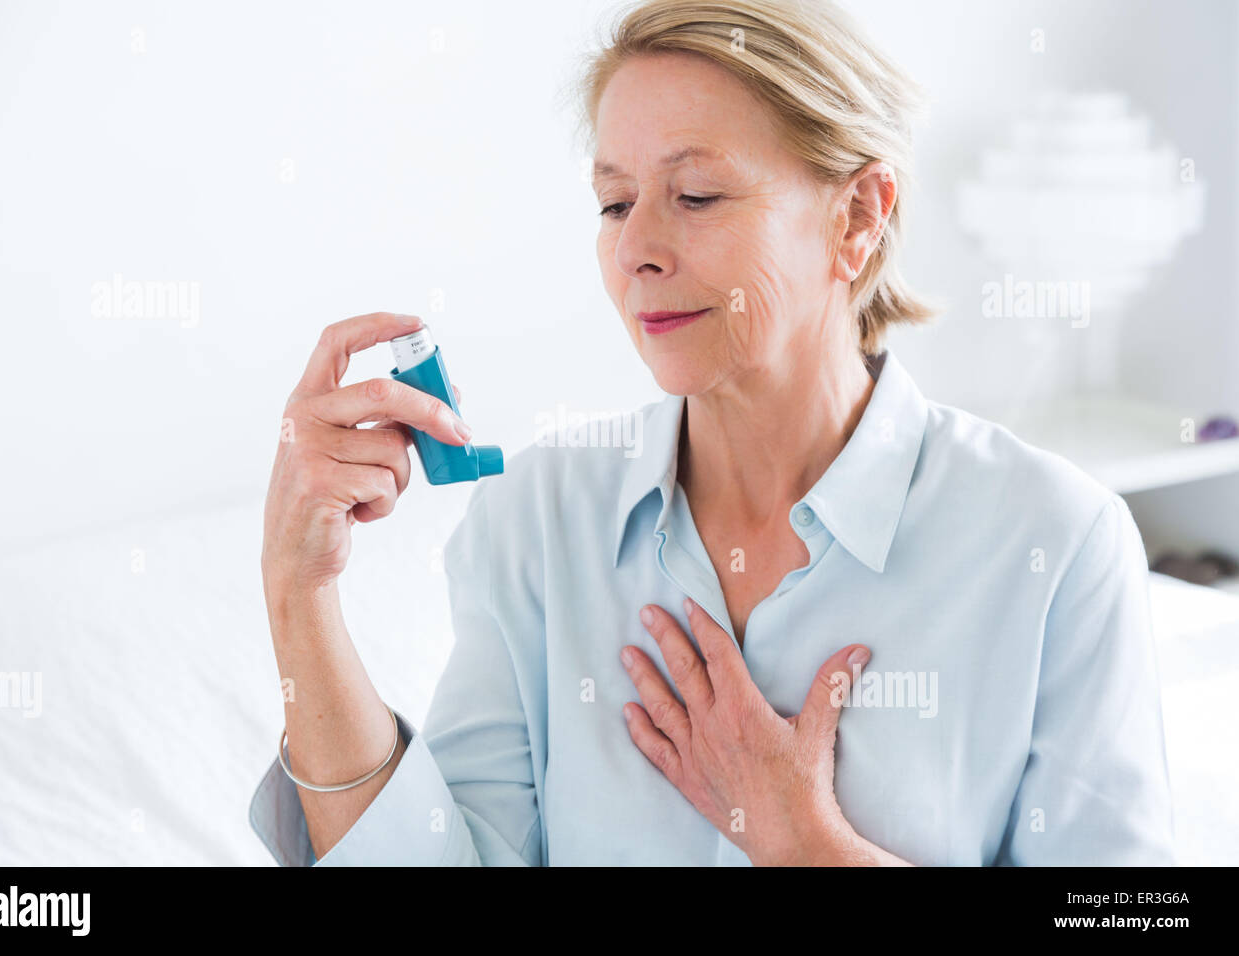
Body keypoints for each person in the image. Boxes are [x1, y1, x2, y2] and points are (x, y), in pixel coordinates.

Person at [249, 0, 1174, 866]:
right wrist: (301, 597)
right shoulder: (536, 523)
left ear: (858, 217)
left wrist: (807, 843)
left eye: (695, 196)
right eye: (615, 203)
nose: (634, 248)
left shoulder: (1056, 545)